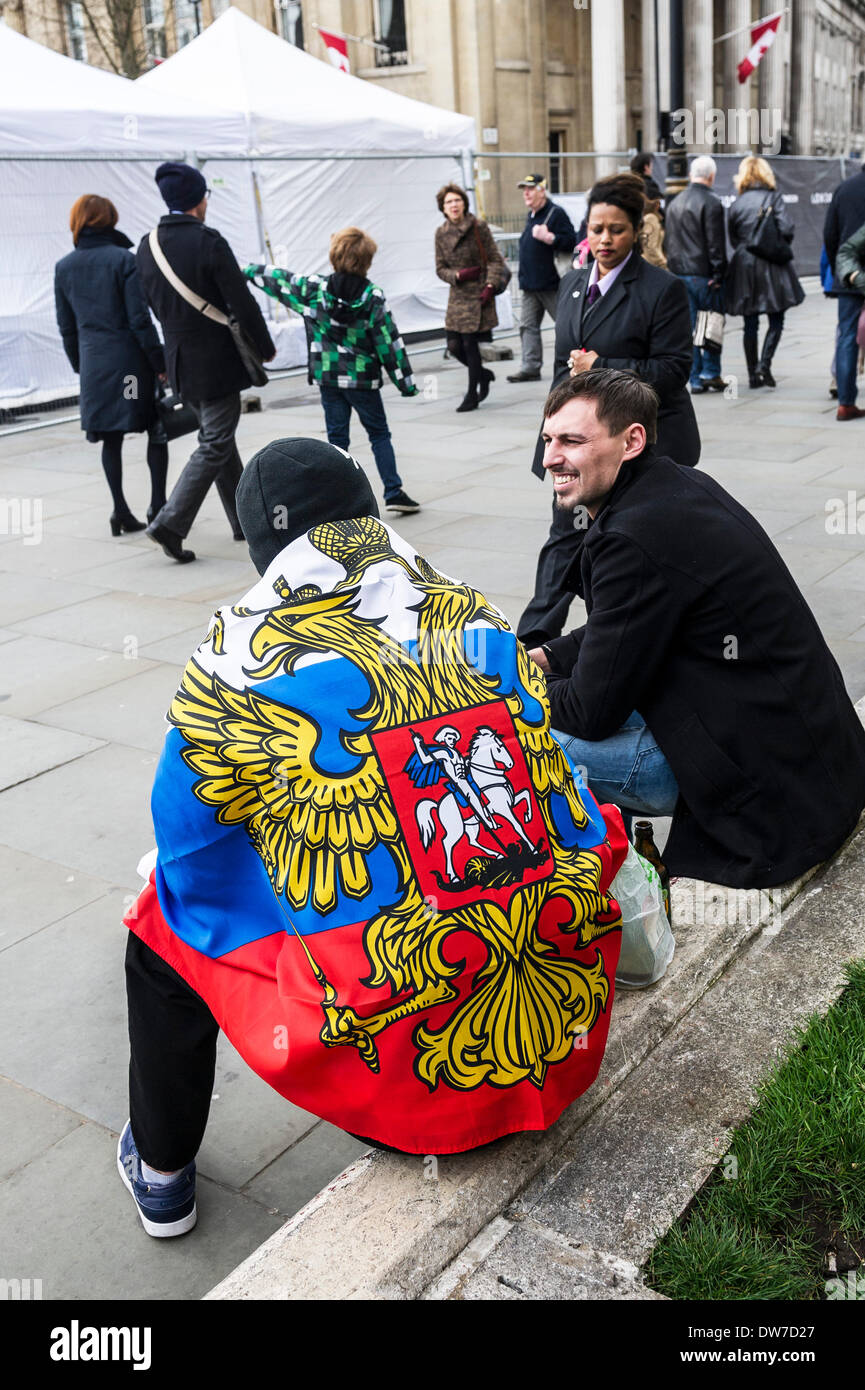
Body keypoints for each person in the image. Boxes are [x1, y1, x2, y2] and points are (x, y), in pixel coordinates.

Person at [116, 437, 628, 1235]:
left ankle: (161, 1171)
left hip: (408, 1073)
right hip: (561, 1027)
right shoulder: (472, 607)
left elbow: (190, 851)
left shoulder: (234, 657)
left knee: (157, 923)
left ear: (260, 543)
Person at [527, 368, 865, 889]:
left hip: (763, 793)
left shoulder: (632, 537)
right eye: (548, 439)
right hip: (819, 767)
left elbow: (590, 712)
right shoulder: (677, 486)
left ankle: (563, 886)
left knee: (504, 736)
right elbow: (622, 631)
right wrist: (542, 659)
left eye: (572, 441)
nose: (550, 457)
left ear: (632, 440)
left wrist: (508, 689)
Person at [517, 171, 698, 649]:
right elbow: (564, 366)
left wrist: (603, 366)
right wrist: (555, 432)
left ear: (636, 230)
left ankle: (618, 638)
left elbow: (674, 370)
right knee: (564, 536)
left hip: (637, 448)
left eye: (615, 229)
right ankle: (532, 641)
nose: (604, 239)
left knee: (628, 546)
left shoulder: (662, 289)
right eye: (596, 228)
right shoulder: (573, 283)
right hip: (580, 445)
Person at [136, 161, 276, 563]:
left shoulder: (147, 244)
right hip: (214, 361)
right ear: (200, 200)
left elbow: (150, 304)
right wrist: (263, 345)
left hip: (179, 361)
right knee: (215, 442)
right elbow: (241, 300)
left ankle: (243, 522)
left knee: (221, 440)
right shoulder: (208, 240)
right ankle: (169, 522)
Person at [244, 227, 420, 514]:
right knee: (379, 434)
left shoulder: (315, 289)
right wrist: (406, 383)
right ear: (366, 260)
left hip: (328, 377)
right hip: (362, 380)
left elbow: (280, 279)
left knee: (337, 439)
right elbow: (388, 341)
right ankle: (393, 490)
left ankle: (339, 498)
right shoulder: (372, 296)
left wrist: (247, 271)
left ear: (335, 255)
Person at [54, 195, 168, 534]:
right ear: (110, 219)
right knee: (154, 426)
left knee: (110, 437)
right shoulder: (123, 260)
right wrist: (158, 361)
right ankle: (158, 506)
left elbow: (66, 326)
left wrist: (81, 366)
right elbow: (138, 319)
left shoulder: (64, 266)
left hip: (93, 365)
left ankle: (120, 510)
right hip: (130, 368)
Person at [726, 155, 803, 391]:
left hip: (745, 264)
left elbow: (733, 238)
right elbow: (787, 228)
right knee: (776, 317)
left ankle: (752, 375)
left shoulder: (737, 203)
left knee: (750, 322)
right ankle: (764, 364)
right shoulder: (773, 197)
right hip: (771, 264)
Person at [434, 183, 511, 411]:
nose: (454, 205)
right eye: (449, 202)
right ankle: (484, 374)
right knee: (454, 345)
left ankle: (472, 395)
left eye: (457, 200)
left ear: (464, 203)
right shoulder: (440, 233)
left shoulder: (478, 227)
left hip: (478, 294)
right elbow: (439, 268)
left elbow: (495, 259)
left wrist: (490, 285)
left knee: (469, 345)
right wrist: (457, 274)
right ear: (443, 207)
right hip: (457, 295)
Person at [663, 155, 727, 393]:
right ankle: (711, 372)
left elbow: (669, 240)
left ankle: (696, 378)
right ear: (711, 176)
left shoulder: (676, 201)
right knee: (711, 324)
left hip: (679, 272)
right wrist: (719, 272)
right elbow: (715, 243)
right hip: (704, 273)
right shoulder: (711, 202)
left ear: (691, 175)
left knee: (690, 327)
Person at [506, 173, 577, 383]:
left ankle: (577, 363)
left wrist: (551, 237)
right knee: (527, 326)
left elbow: (572, 240)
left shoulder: (555, 213)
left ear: (542, 190)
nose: (526, 193)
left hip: (552, 284)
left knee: (566, 326)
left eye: (530, 188)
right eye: (524, 190)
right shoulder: (532, 215)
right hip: (530, 285)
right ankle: (530, 367)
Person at [823, 160, 865, 420]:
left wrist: (842, 270)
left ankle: (845, 402)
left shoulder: (845, 189)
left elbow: (830, 234)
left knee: (848, 337)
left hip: (849, 276)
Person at [638, 196, 667, 270]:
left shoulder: (648, 218)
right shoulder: (651, 218)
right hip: (654, 265)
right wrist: (663, 263)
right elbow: (651, 247)